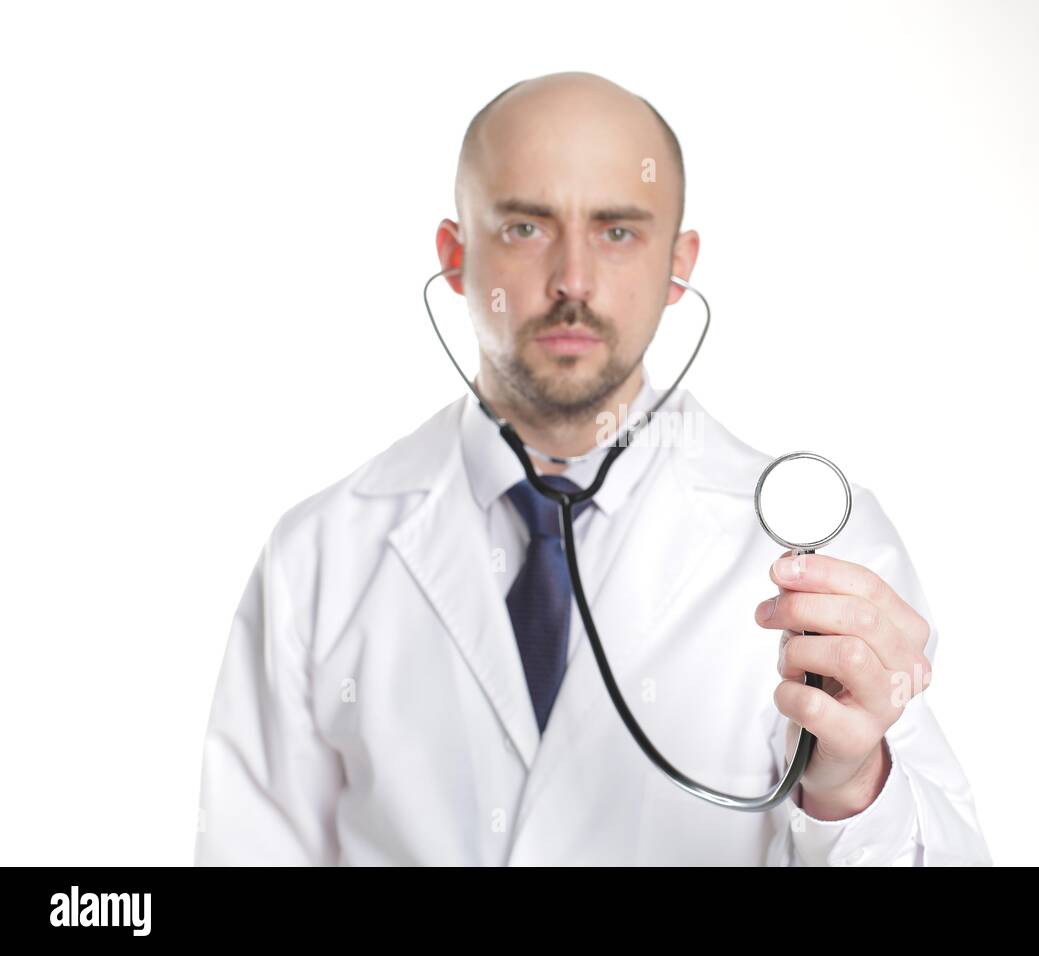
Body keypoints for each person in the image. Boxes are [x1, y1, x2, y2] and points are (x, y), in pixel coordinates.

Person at [194, 71, 993, 866]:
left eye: (618, 232)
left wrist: (853, 789)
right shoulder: (318, 555)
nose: (572, 281)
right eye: (525, 227)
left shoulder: (827, 554)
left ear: (679, 267)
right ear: (455, 256)